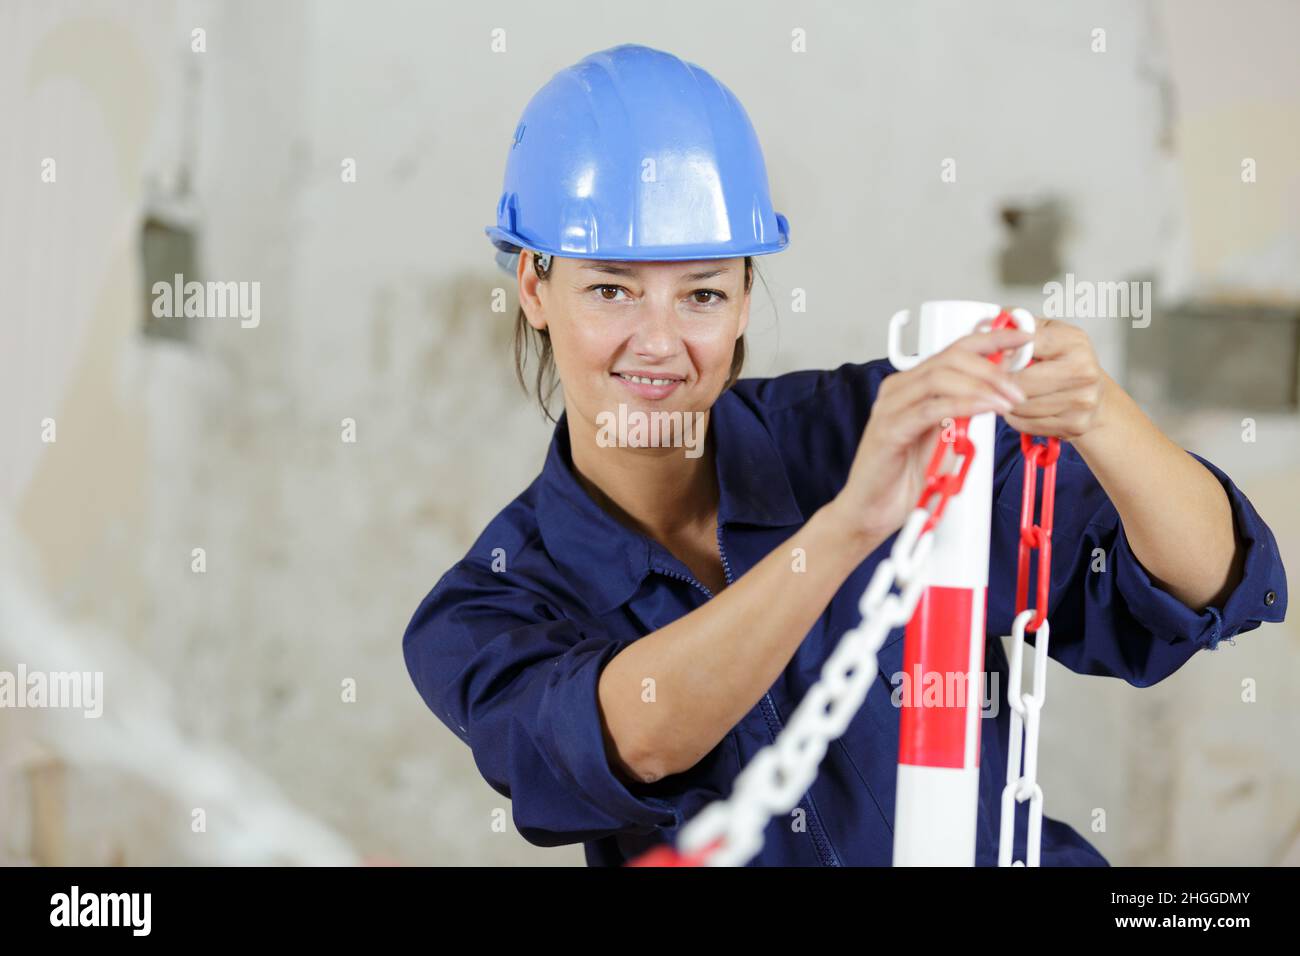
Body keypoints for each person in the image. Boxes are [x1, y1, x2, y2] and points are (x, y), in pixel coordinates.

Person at [402, 44, 1288, 866]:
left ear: (747, 296)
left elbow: (1204, 581)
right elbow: (637, 735)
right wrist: (848, 528)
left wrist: (1103, 418)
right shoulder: (489, 607)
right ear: (534, 288)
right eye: (611, 289)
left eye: (702, 293)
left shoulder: (879, 424)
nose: (659, 343)